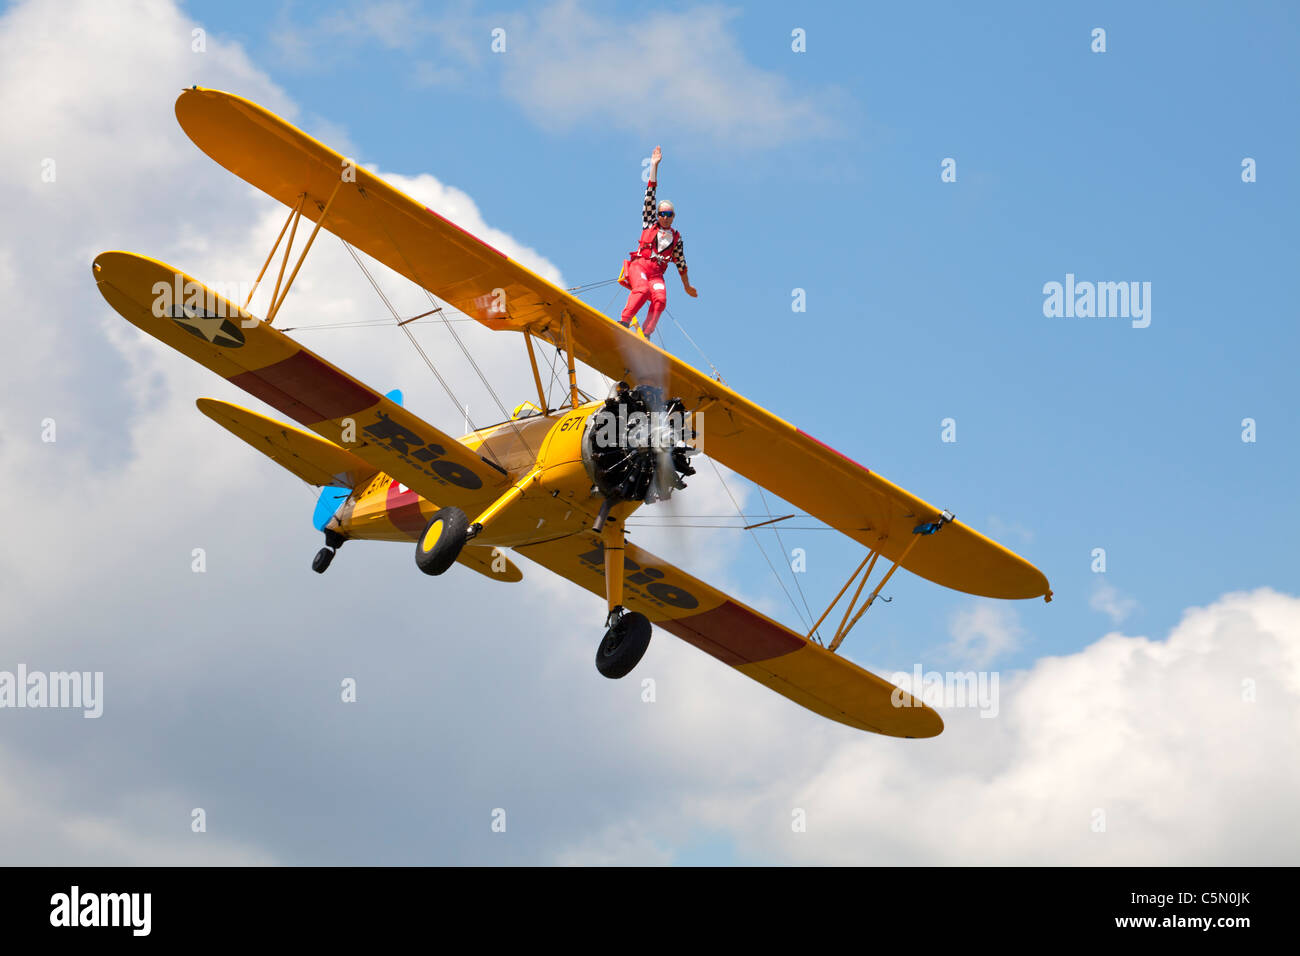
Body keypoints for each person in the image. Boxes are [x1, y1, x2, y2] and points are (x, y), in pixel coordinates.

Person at [619, 145, 697, 337]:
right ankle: (625, 321)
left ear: (674, 216)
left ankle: (645, 334)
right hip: (640, 267)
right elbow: (650, 195)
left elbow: (681, 264)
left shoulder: (676, 239)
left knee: (660, 300)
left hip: (656, 275)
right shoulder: (649, 224)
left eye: (669, 214)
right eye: (662, 214)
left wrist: (687, 286)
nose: (665, 217)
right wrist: (654, 166)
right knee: (643, 289)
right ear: (657, 214)